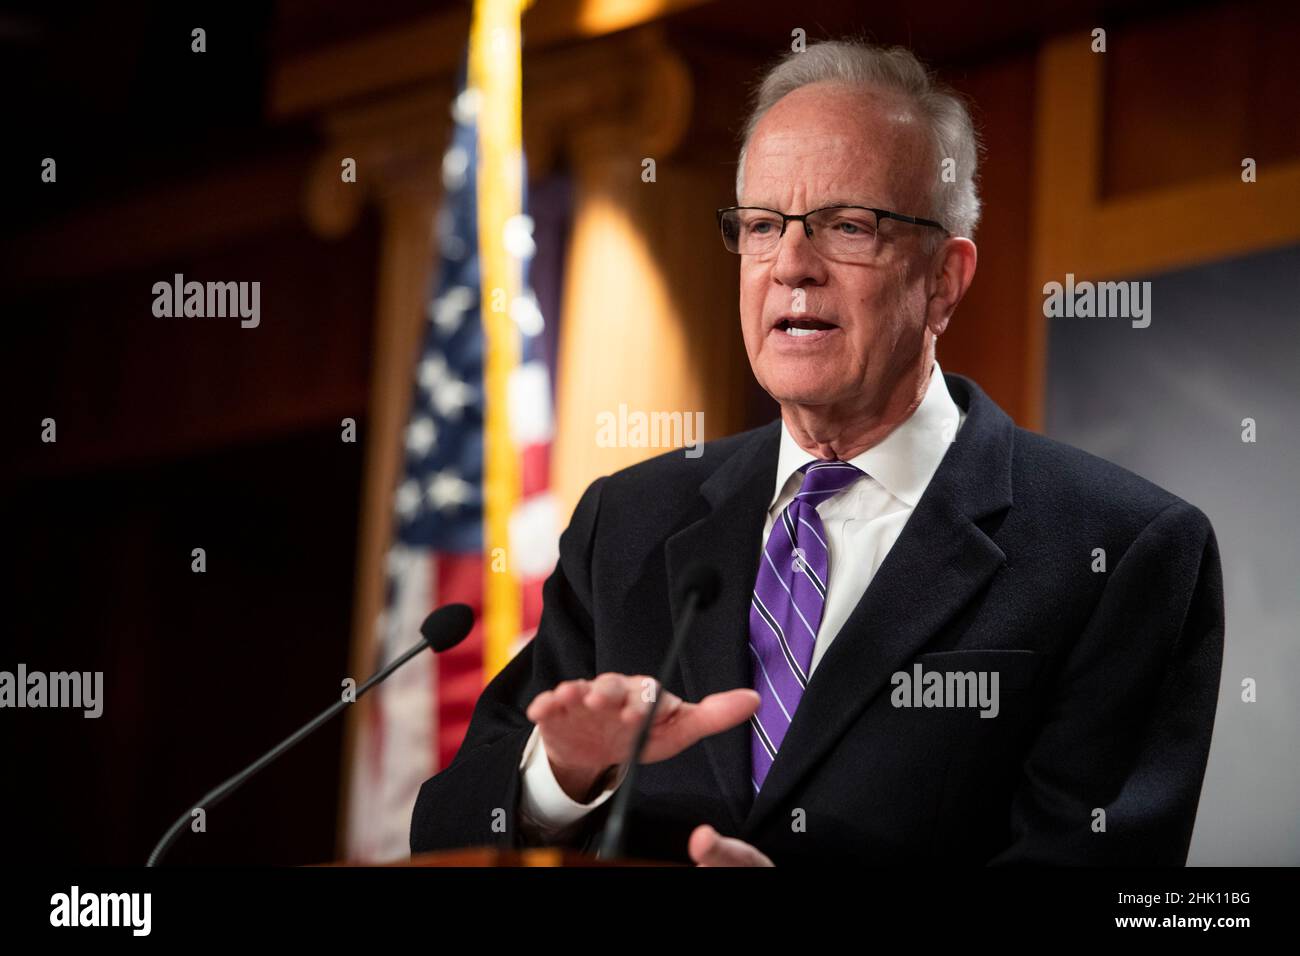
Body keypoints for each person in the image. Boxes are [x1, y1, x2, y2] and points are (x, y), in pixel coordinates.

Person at [409, 39, 1223, 866]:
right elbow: (445, 827)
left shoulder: (1118, 549)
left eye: (848, 226)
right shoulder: (625, 523)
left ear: (944, 278)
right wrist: (565, 772)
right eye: (762, 225)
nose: (791, 266)